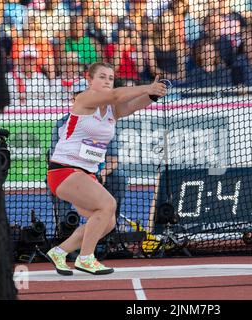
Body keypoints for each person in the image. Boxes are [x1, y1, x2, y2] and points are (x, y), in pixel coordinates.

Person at [46, 61, 167, 275]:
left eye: (110, 78)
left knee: (107, 221)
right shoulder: (84, 98)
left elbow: (131, 105)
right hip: (64, 170)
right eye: (102, 77)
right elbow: (117, 95)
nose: (107, 81)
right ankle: (86, 258)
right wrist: (147, 86)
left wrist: (152, 95)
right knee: (108, 204)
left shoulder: (111, 110)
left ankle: (59, 251)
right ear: (89, 80)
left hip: (86, 174)